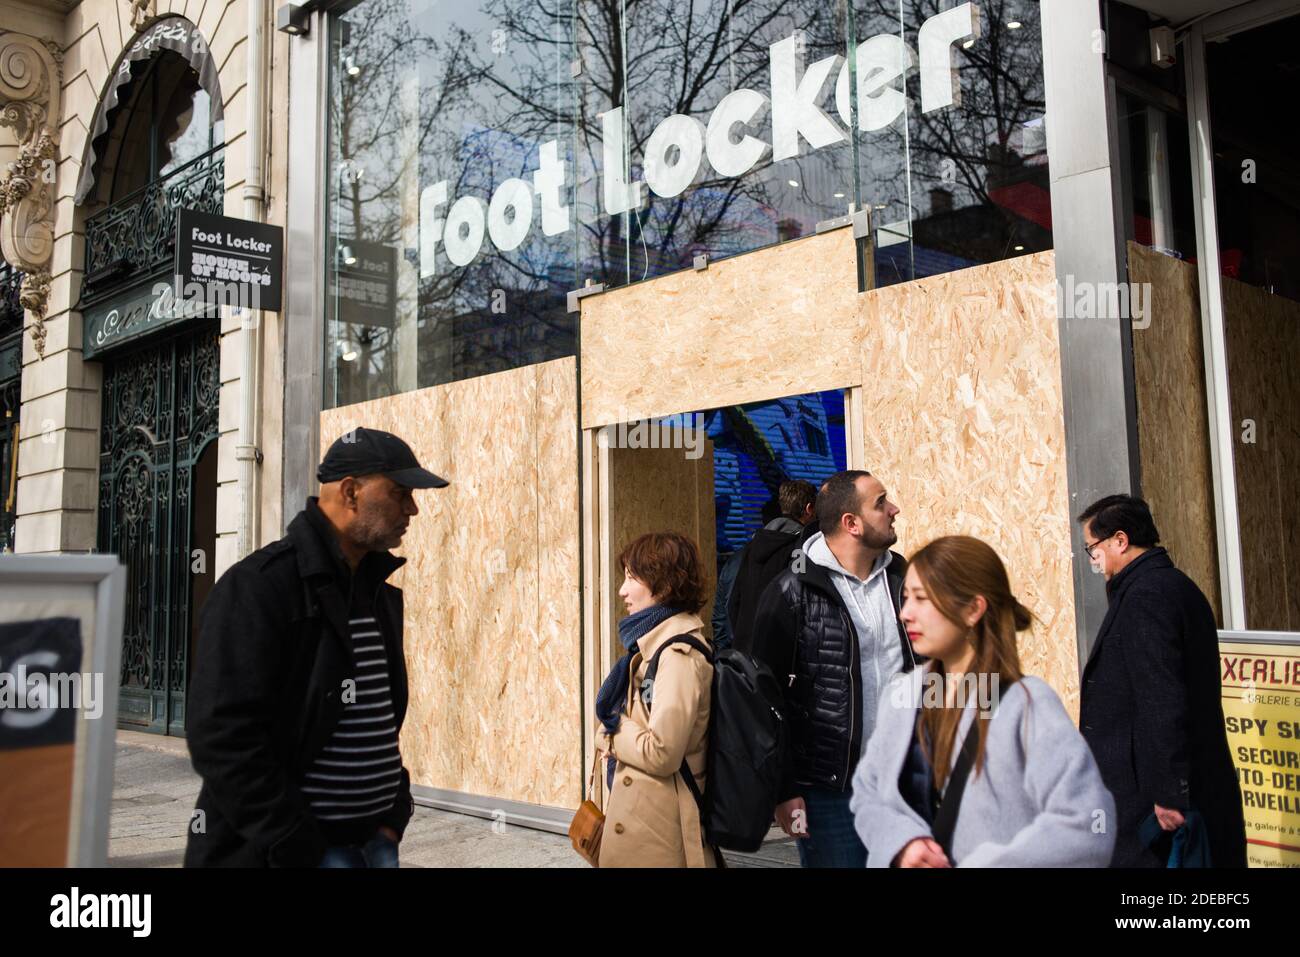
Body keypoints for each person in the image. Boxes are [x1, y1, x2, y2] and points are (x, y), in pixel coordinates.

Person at [184, 428, 449, 867]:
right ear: (350, 493)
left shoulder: (377, 594)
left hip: (372, 845)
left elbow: (375, 720)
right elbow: (220, 737)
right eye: (400, 493)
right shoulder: (259, 588)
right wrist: (294, 840)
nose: (413, 509)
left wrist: (392, 813)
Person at [851, 536, 1116, 867]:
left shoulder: (1025, 705)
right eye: (905, 598)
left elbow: (1087, 823)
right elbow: (868, 791)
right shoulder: (903, 694)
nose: (905, 613)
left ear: (973, 609)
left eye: (921, 599)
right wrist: (902, 843)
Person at [747, 470, 917, 867]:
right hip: (830, 793)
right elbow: (765, 702)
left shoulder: (903, 579)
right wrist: (782, 789)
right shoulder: (792, 592)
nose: (894, 509)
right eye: (881, 503)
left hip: (906, 780)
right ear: (851, 523)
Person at [1076, 495, 1246, 868]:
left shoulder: (1147, 596)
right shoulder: (1170, 586)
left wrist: (1169, 792)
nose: (1094, 562)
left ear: (1120, 541)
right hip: (1169, 789)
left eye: (1093, 550)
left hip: (1154, 805)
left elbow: (1162, 698)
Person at [594, 531, 716, 867]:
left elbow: (663, 752)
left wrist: (611, 731)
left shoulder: (677, 655)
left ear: (662, 587)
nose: (622, 590)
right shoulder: (650, 648)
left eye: (632, 578)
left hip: (661, 838)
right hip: (646, 825)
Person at [725, 479, 817, 650]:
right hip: (779, 653)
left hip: (745, 651)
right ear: (809, 509)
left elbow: (733, 602)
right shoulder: (801, 548)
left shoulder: (751, 547)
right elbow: (801, 598)